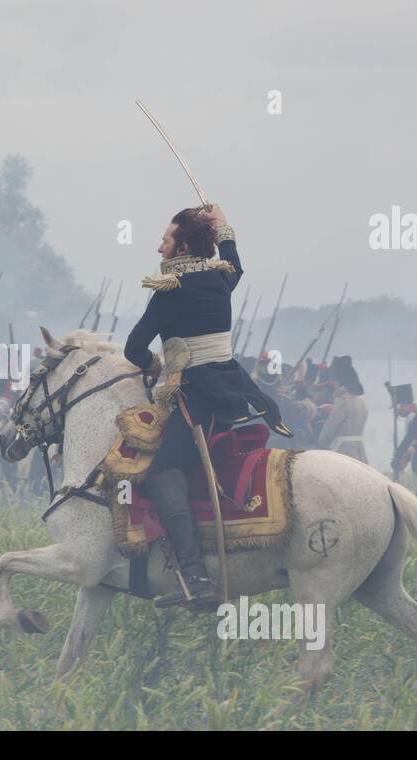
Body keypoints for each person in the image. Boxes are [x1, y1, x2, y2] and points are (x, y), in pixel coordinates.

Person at [124, 204, 289, 607]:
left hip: (193, 396)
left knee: (161, 470)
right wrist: (223, 226)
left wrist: (153, 365)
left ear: (180, 246)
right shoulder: (220, 279)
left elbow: (132, 349)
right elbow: (235, 262)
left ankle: (196, 580)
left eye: (164, 241)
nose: (158, 248)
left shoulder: (170, 290)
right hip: (230, 389)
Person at [316, 355, 368, 462]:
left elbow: (329, 429)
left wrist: (321, 443)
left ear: (339, 381)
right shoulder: (362, 400)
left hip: (343, 451)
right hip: (359, 451)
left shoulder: (343, 401)